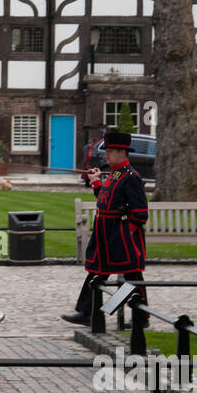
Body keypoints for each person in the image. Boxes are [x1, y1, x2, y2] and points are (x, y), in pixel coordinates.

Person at [61, 128, 148, 325]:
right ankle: (87, 313)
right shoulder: (114, 175)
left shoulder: (131, 176)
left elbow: (141, 213)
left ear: (123, 152)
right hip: (105, 235)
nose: (107, 152)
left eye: (112, 150)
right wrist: (95, 183)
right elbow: (106, 200)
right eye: (107, 149)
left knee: (132, 276)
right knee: (97, 272)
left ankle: (141, 317)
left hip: (121, 238)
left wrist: (125, 234)